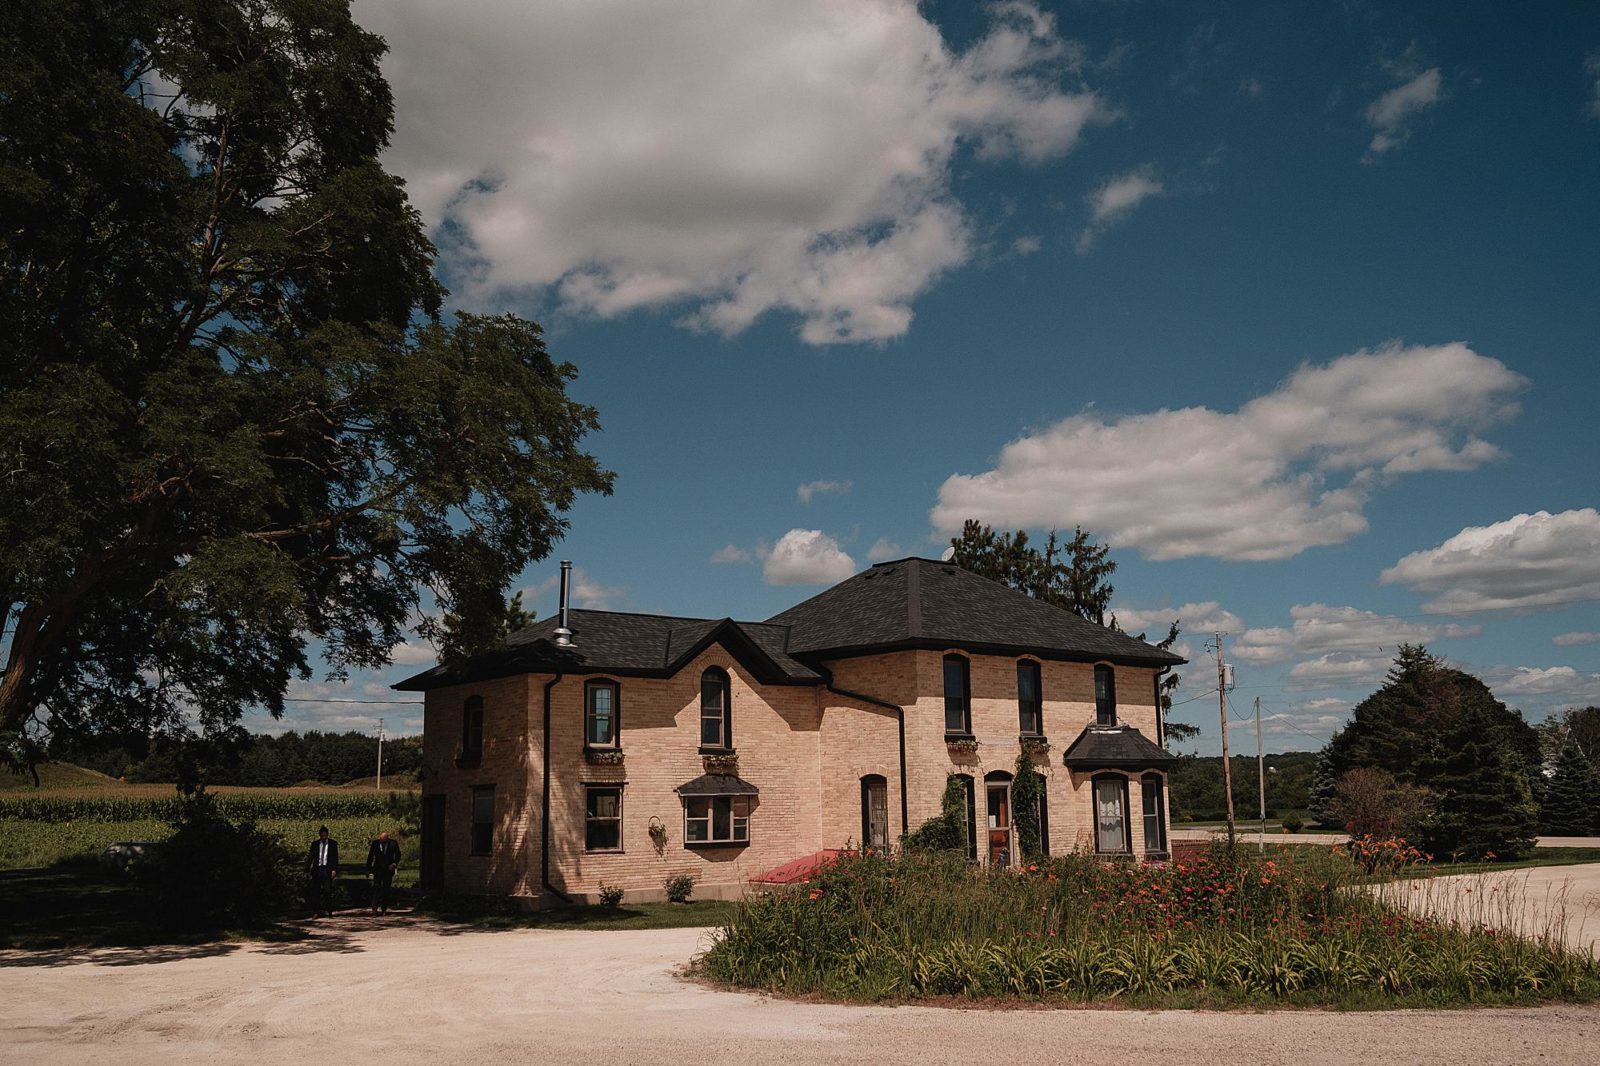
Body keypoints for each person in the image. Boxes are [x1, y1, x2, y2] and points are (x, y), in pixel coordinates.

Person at [306, 825, 339, 917]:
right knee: (315, 891)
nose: (324, 837)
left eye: (325, 836)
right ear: (320, 835)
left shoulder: (332, 844)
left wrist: (334, 869)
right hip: (317, 869)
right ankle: (316, 911)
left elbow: (335, 858)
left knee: (327, 891)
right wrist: (307, 869)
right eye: (322, 836)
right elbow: (310, 857)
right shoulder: (315, 844)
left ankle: (329, 910)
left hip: (327, 869)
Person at [366, 830, 402, 914]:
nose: (382, 841)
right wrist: (368, 868)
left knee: (386, 888)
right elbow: (370, 856)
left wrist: (394, 864)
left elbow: (398, 855)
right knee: (376, 887)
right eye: (380, 839)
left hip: (388, 869)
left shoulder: (393, 843)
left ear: (387, 838)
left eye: (383, 839)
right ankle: (374, 907)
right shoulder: (375, 844)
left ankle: (384, 908)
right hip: (378, 869)